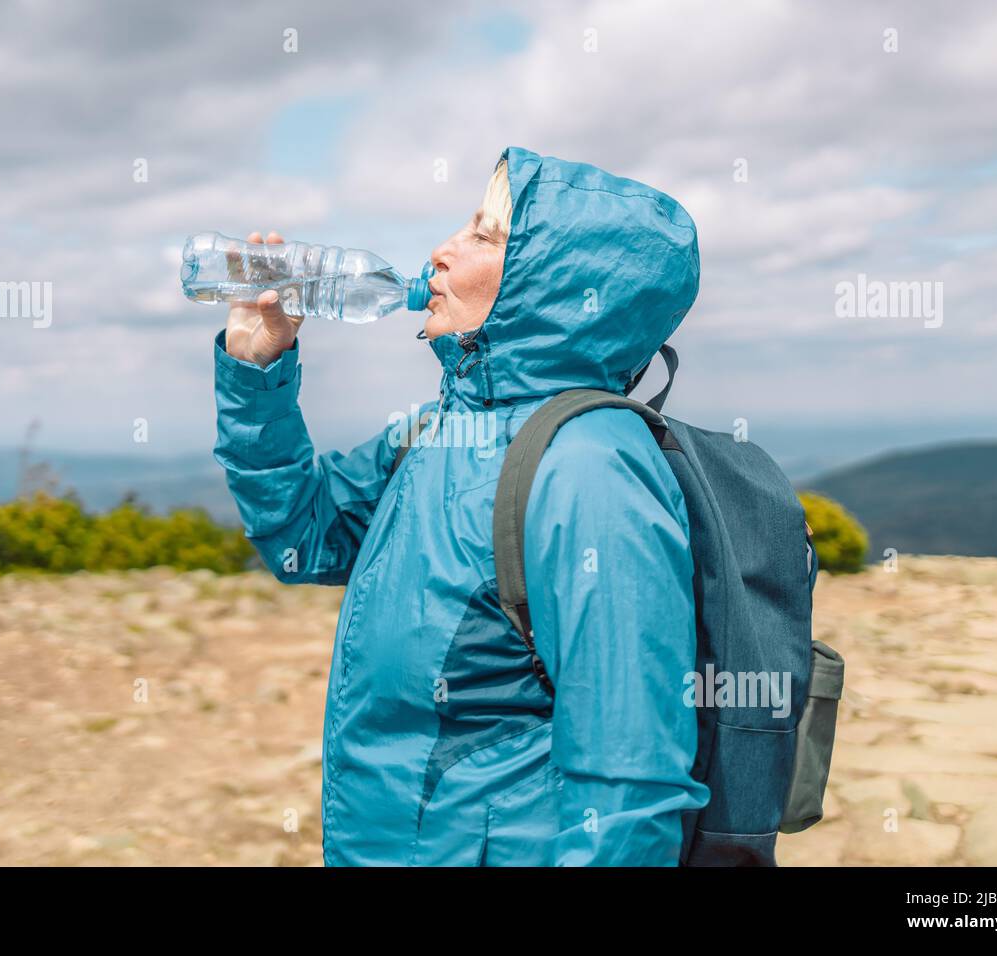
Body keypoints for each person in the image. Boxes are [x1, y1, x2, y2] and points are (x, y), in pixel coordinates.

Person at [212, 145, 709, 866]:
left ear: (553, 285)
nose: (442, 251)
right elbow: (305, 537)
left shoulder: (590, 466)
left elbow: (628, 788)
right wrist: (255, 371)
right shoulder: (440, 429)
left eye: (484, 235)